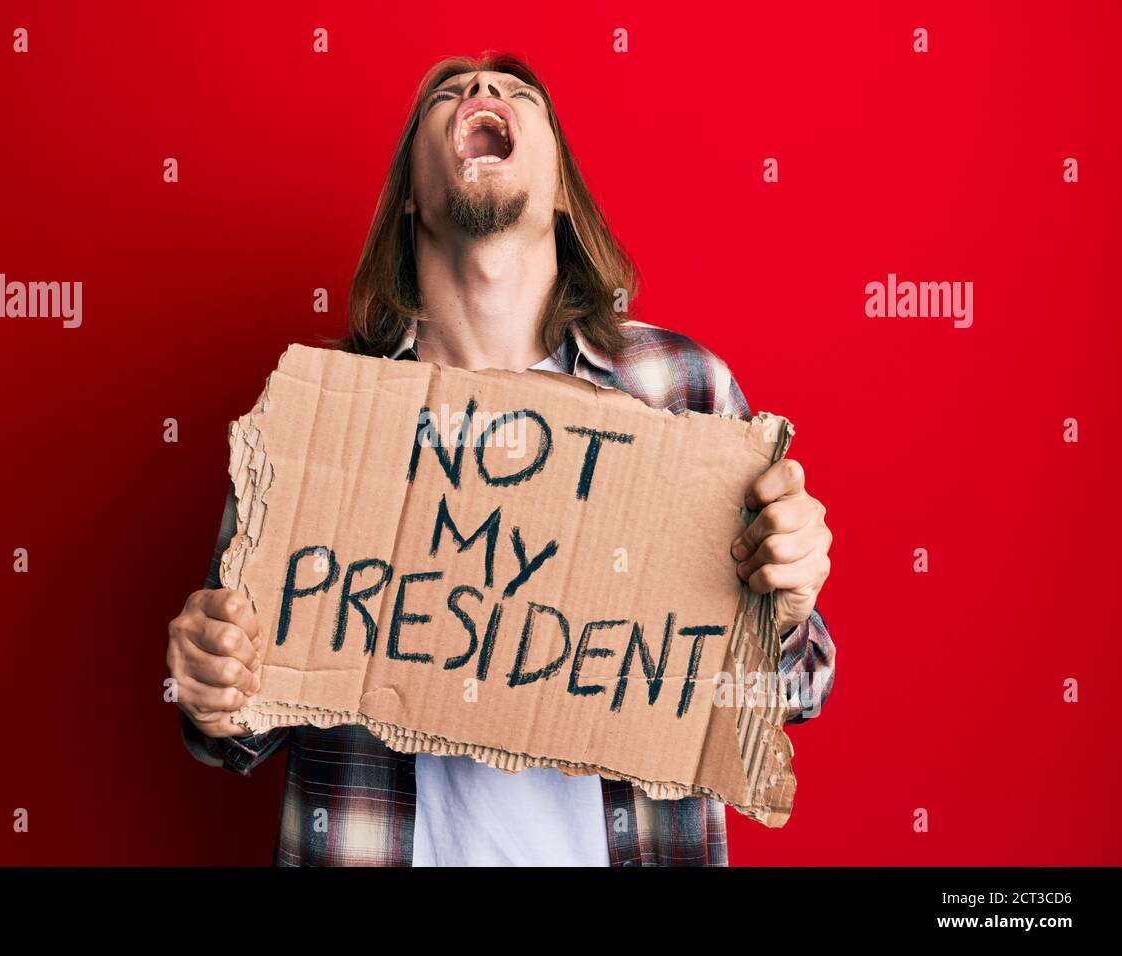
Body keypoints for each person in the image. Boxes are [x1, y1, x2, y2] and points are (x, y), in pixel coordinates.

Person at [165, 53, 835, 866]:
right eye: (449, 94)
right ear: (411, 193)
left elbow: (794, 696)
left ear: (559, 189)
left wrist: (786, 606)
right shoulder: (318, 412)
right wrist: (209, 684)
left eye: (519, 94)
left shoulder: (684, 391)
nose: (482, 94)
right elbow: (237, 735)